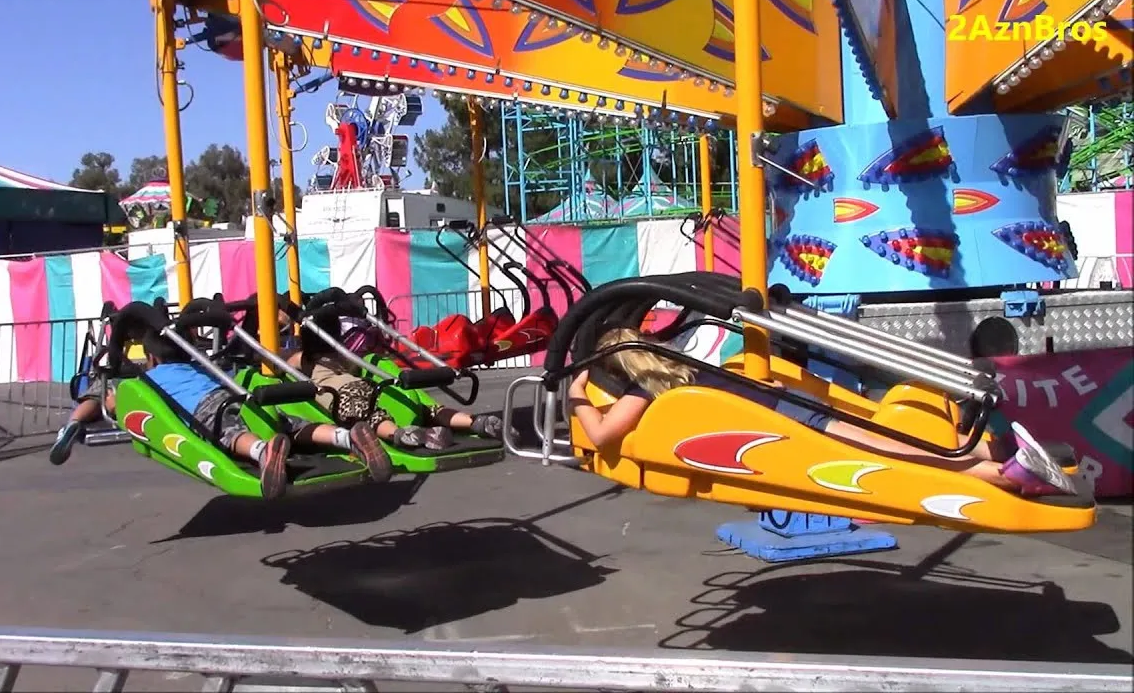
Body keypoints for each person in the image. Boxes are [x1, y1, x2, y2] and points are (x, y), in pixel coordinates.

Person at [566, 327, 1077, 499]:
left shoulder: (645, 388)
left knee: (908, 462)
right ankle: (1000, 455)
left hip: (798, 430)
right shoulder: (690, 367)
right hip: (798, 411)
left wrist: (578, 396)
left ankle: (1011, 475)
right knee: (904, 450)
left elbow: (606, 435)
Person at [53, 331, 393, 496]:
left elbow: (105, 404)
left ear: (152, 359)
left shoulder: (148, 379)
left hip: (206, 409)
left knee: (228, 434)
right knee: (292, 423)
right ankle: (347, 437)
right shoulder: (200, 369)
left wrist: (74, 423)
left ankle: (262, 451)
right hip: (233, 395)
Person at [281, 307, 503, 450]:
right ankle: (473, 422)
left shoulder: (306, 358)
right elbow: (362, 358)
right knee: (428, 407)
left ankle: (399, 434)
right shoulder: (344, 355)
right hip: (365, 384)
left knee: (371, 416)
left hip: (339, 392)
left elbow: (286, 364)